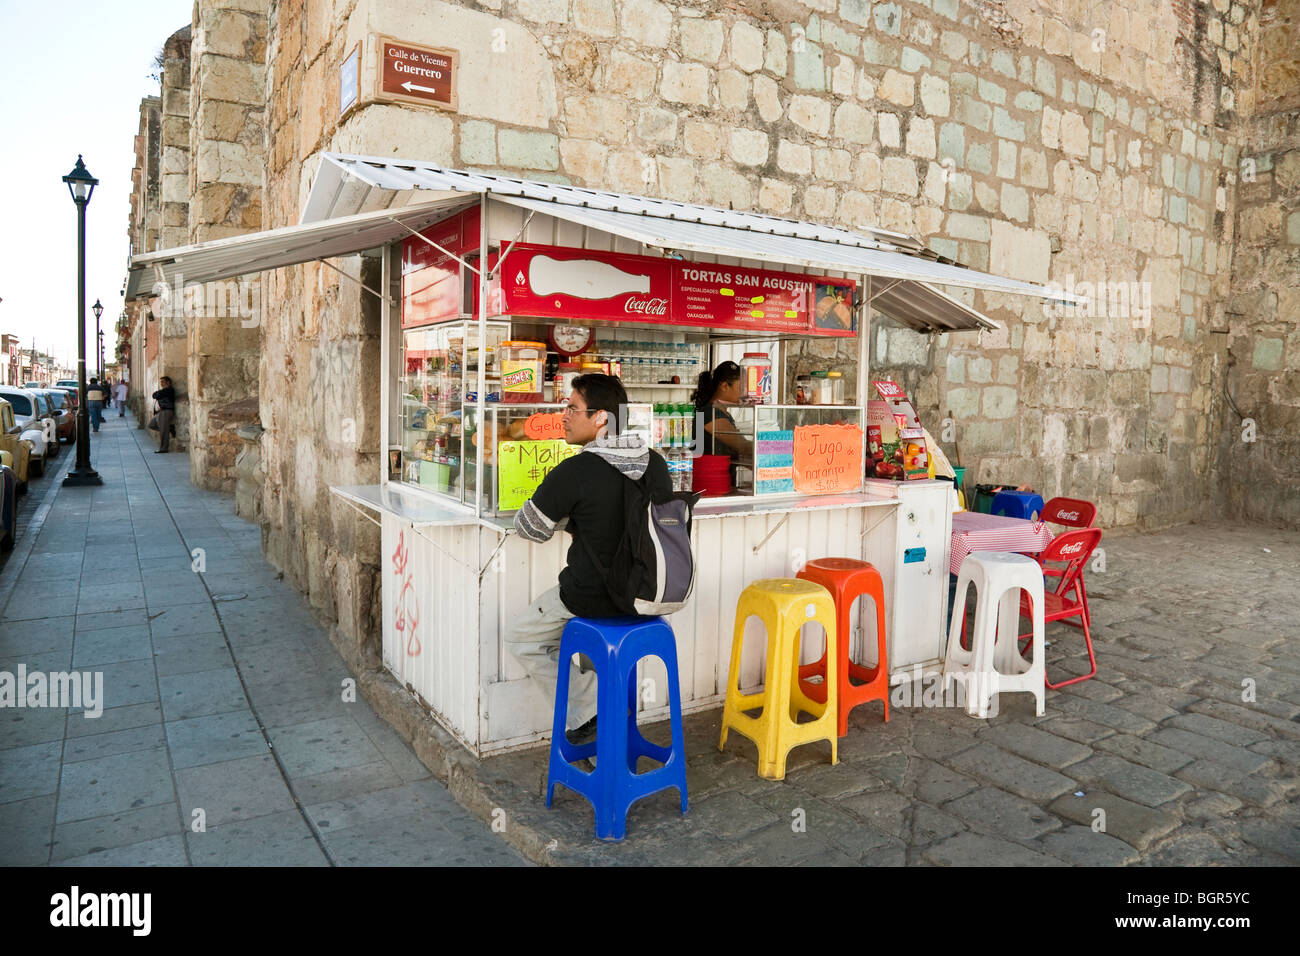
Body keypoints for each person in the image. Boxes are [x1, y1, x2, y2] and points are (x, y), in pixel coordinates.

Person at [508, 373, 671, 744]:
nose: (563, 415)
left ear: (600, 418)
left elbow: (529, 529)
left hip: (593, 597)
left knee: (520, 637)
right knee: (587, 644)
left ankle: (590, 704)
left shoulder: (576, 471)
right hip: (647, 595)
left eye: (572, 407)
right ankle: (606, 731)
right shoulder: (656, 464)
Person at [690, 360, 753, 461]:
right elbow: (742, 445)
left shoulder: (722, 413)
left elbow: (735, 454)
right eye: (741, 388)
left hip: (721, 475)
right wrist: (774, 447)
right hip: (710, 475)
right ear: (724, 386)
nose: (744, 394)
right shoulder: (708, 414)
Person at [152, 376, 176, 453]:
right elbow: (154, 395)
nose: (161, 383)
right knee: (151, 424)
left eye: (163, 382)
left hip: (166, 412)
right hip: (160, 412)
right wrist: (158, 394)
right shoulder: (163, 391)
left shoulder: (169, 390)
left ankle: (163, 448)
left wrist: (158, 394)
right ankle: (168, 429)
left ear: (168, 382)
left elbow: (158, 395)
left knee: (163, 431)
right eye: (161, 382)